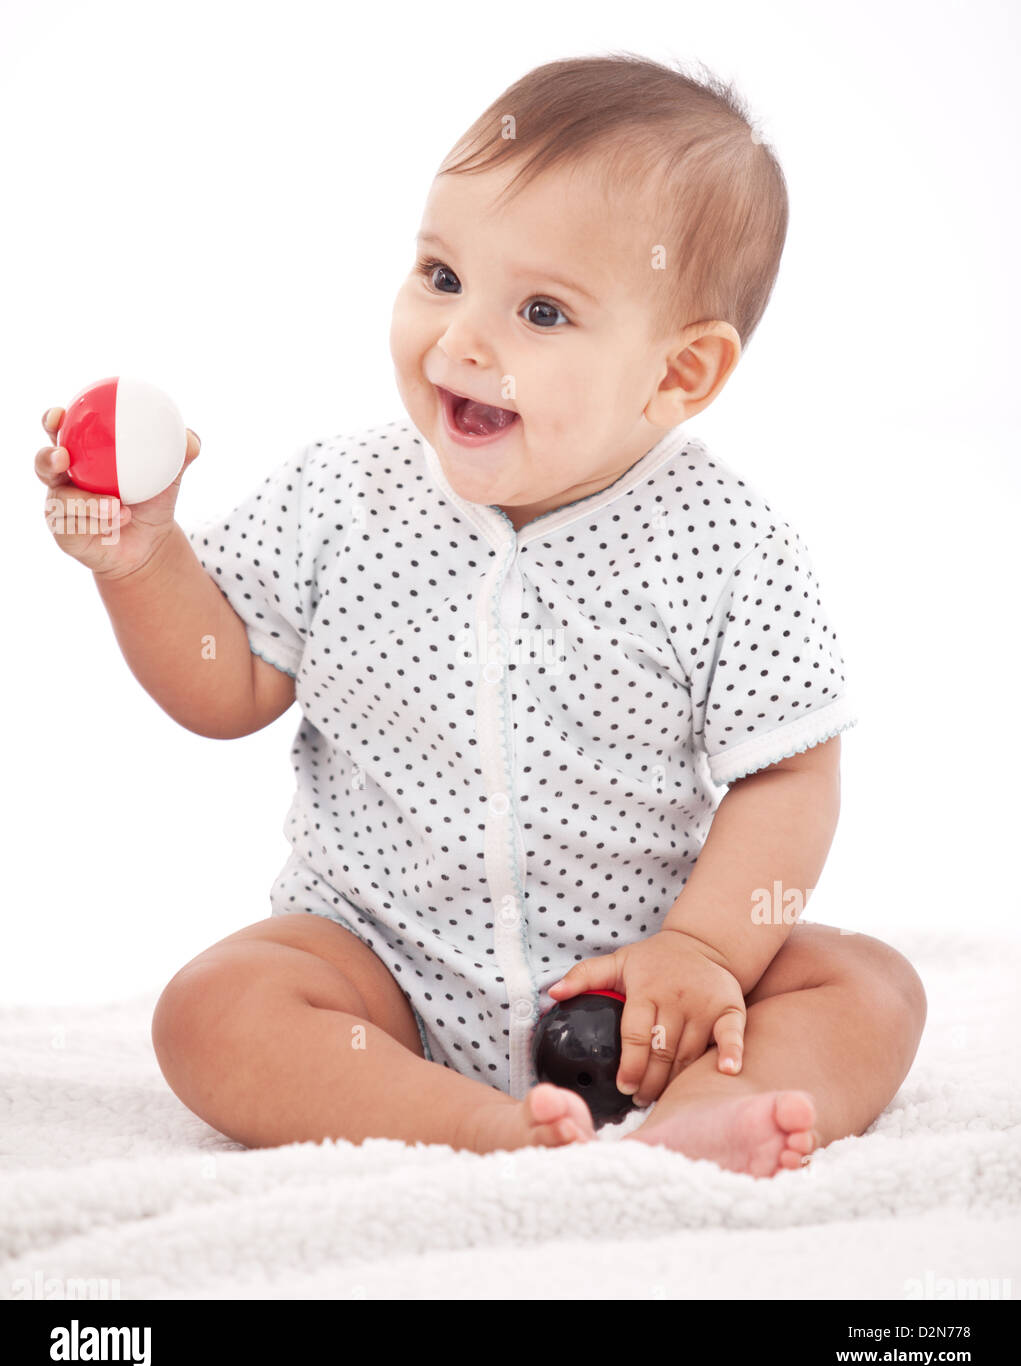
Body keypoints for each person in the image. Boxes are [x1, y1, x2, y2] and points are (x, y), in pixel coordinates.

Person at [37, 53, 925, 1177]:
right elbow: (224, 684)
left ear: (679, 373)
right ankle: (475, 1128)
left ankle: (690, 1120)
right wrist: (142, 556)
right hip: (381, 979)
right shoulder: (341, 496)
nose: (459, 339)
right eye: (442, 274)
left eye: (541, 310)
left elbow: (787, 771)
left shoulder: (726, 543)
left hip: (641, 984)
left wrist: (702, 947)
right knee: (215, 1005)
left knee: (866, 984)